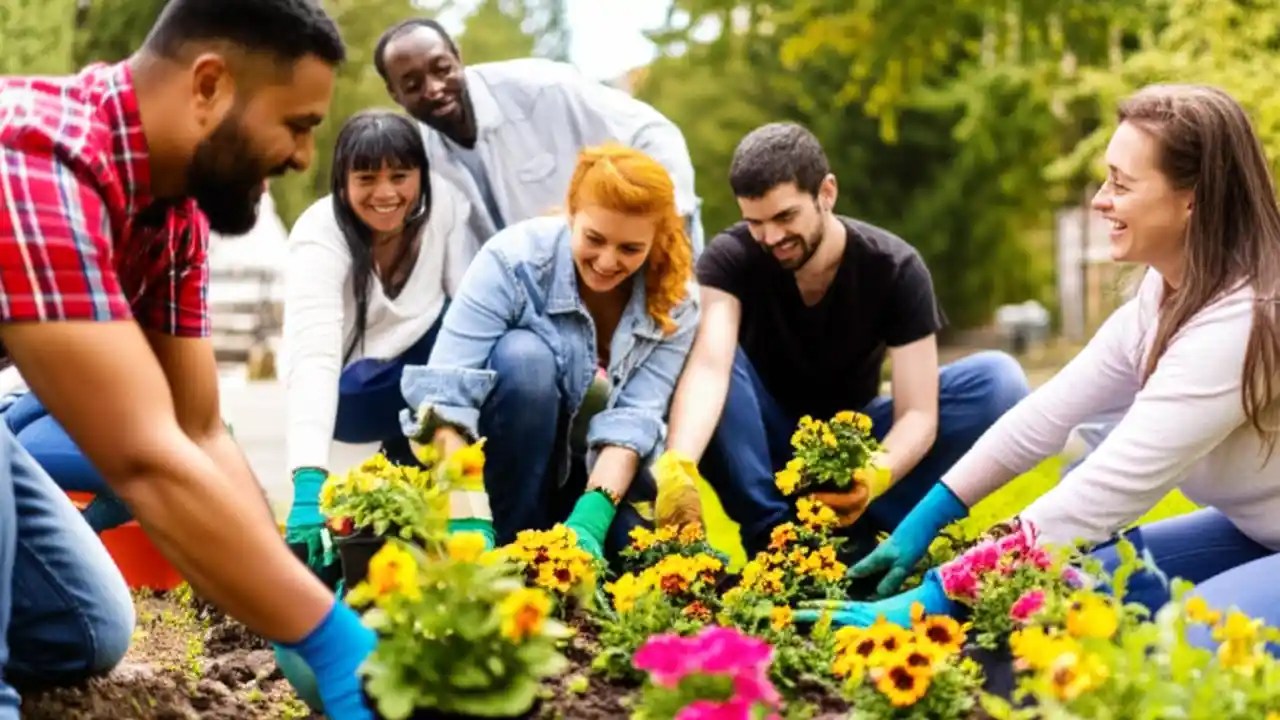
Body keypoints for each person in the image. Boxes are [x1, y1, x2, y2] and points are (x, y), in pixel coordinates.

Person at [0, 1, 377, 718]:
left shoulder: (172, 216)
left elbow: (198, 429)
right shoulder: (34, 161)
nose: (303, 157)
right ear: (208, 86)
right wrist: (331, 638)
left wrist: (286, 595)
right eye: (296, 125)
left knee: (85, 628)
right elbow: (144, 460)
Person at [800, 85, 1280, 646]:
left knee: (1184, 650)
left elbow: (1105, 489)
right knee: (1070, 596)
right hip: (1257, 532)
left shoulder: (1243, 321)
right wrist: (928, 517)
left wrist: (939, 594)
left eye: (1121, 184)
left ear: (1193, 199)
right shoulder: (1166, 293)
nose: (1101, 199)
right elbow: (1045, 417)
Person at [664, 122, 1030, 559]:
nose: (771, 238)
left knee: (999, 381)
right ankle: (774, 541)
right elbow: (709, 365)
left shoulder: (894, 266)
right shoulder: (731, 258)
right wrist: (678, 465)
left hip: (847, 450)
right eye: (755, 223)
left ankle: (855, 530)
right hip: (759, 447)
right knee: (694, 341)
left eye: (785, 217)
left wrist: (873, 475)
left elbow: (918, 413)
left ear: (827, 193)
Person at [400, 143, 699, 559]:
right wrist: (465, 510)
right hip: (506, 466)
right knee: (525, 358)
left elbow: (635, 418)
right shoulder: (513, 260)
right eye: (594, 239)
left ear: (656, 239)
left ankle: (568, 546)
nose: (608, 261)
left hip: (600, 477)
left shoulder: (676, 301)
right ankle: (508, 542)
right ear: (572, 213)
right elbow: (447, 391)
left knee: (637, 558)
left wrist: (588, 523)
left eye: (630, 249)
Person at [280, 109, 478, 577]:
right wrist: (308, 484)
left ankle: (445, 514)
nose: (386, 193)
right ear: (342, 181)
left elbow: (469, 311)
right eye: (366, 178)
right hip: (354, 393)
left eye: (400, 176)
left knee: (470, 334)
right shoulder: (318, 235)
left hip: (427, 365)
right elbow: (315, 361)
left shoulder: (444, 208)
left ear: (421, 177)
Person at [373, 18, 705, 256]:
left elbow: (653, 132)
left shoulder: (543, 88)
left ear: (458, 58)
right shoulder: (420, 159)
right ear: (394, 93)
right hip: (544, 306)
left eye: (442, 69)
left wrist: (666, 222)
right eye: (413, 85)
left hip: (635, 262)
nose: (434, 88)